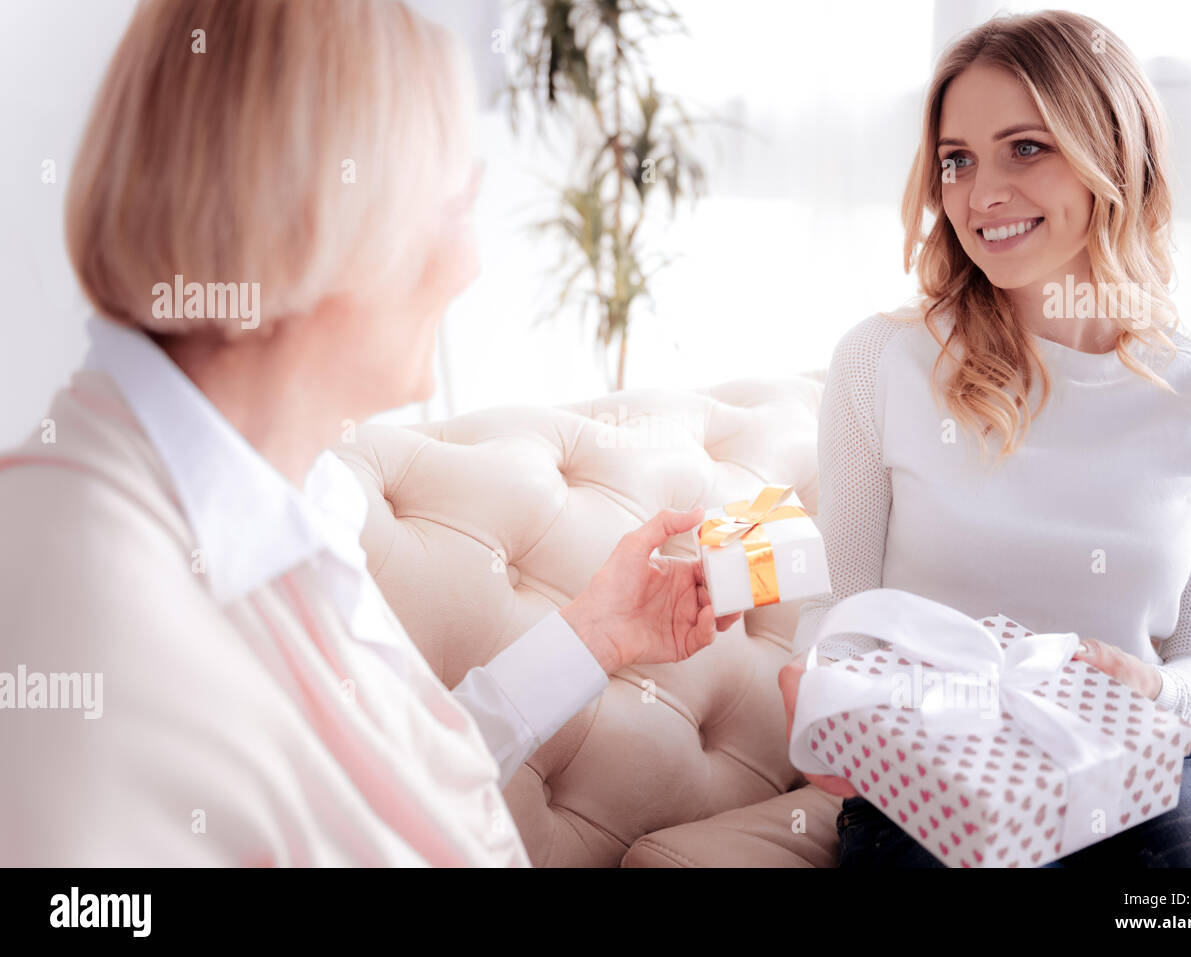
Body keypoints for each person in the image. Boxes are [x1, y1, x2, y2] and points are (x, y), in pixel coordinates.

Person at [0, 0, 740, 866]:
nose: (469, 262)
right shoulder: (90, 595)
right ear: (313, 218)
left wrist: (594, 635)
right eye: (452, 205)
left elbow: (389, 783)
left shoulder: (283, 500)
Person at [780, 10, 1191, 867]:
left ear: (1113, 155)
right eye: (958, 160)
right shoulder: (883, 361)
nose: (981, 194)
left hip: (1138, 770)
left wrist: (1156, 691)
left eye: (1026, 147)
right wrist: (827, 692)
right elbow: (837, 611)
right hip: (937, 772)